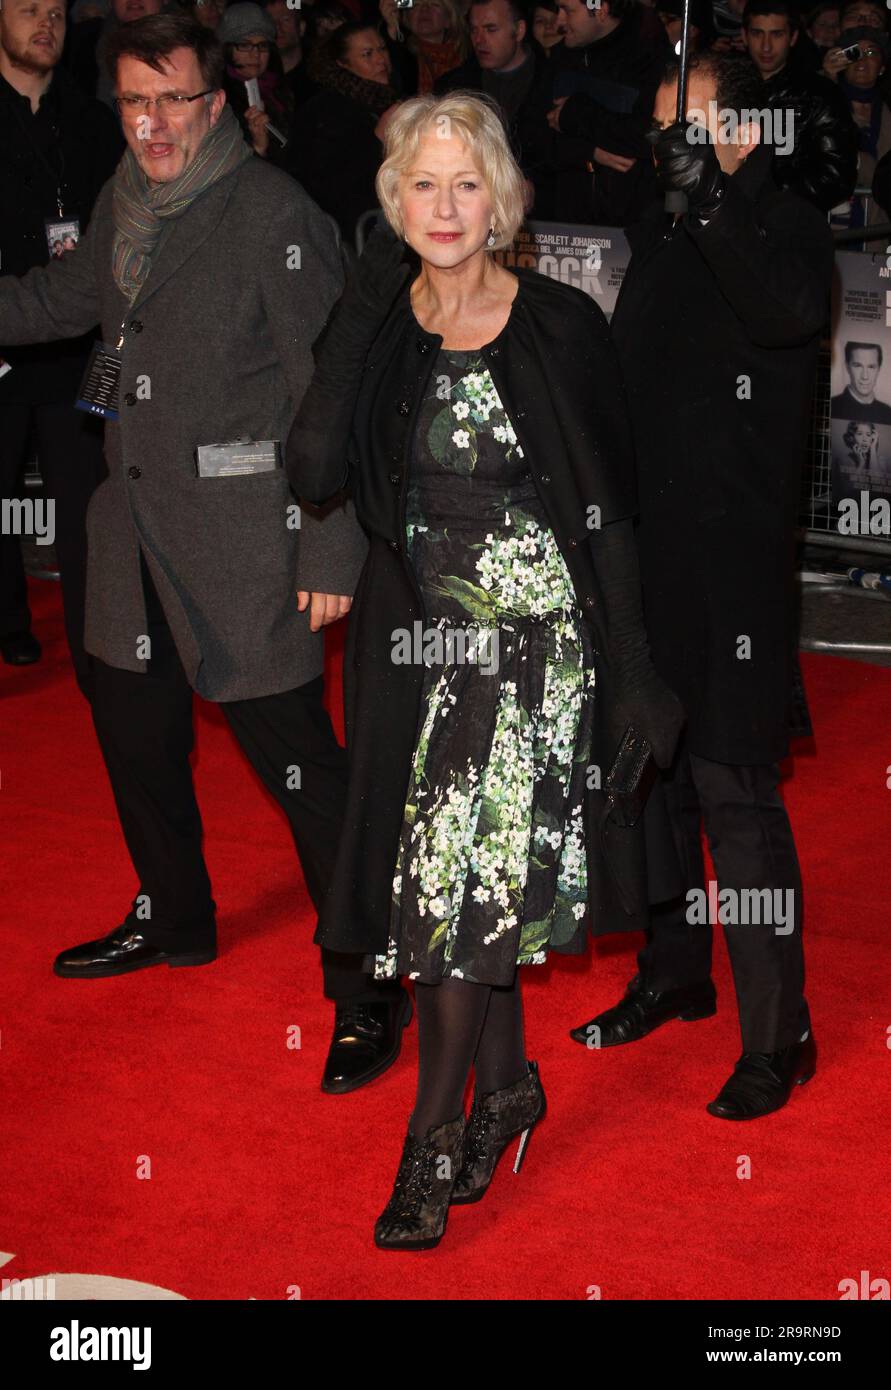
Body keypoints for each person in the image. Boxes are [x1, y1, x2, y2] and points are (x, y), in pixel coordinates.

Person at [286, 90, 684, 1249]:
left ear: (502, 197)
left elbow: (612, 513)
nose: (447, 206)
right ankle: (507, 1089)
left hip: (531, 650)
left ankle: (431, 1138)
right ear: (394, 202)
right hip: (418, 653)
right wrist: (362, 305)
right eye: (424, 183)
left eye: (468, 183)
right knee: (462, 889)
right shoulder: (386, 321)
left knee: (450, 900)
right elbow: (314, 468)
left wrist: (639, 671)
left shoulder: (559, 324)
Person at [0, 14, 410, 1095]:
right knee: (133, 734)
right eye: (134, 102)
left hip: (245, 538)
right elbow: (68, 299)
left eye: (173, 100)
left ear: (215, 102)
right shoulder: (125, 198)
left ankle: (368, 980)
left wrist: (329, 542)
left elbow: (332, 393)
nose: (152, 124)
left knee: (295, 764)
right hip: (128, 528)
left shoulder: (274, 214)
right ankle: (175, 917)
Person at [572, 50, 834, 1121]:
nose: (667, 146)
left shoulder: (786, 226)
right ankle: (676, 971)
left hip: (733, 567)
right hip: (649, 552)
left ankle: (782, 1034)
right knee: (652, 774)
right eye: (662, 128)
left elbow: (784, 315)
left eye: (690, 127)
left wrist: (715, 201)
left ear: (742, 130)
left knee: (735, 791)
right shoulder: (661, 232)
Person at [0, 0, 123, 682]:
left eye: (55, 10)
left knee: (89, 504)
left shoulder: (92, 121)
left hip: (82, 348)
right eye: (26, 9)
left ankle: (93, 645)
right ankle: (10, 621)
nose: (44, 22)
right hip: (2, 344)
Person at [518, 0, 671, 227]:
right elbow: (530, 134)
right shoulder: (560, 59)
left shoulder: (647, 57)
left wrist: (575, 114)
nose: (558, 22)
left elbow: (651, 136)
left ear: (600, 10)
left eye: (567, 10)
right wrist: (589, 152)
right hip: (568, 225)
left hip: (635, 225)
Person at [741, 0, 858, 212]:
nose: (766, 46)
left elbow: (836, 175)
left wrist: (773, 199)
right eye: (758, 33)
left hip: (792, 228)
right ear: (744, 36)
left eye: (777, 34)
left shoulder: (819, 94)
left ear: (793, 37)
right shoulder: (725, 90)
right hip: (729, 225)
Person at [295, 22, 402, 243]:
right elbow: (327, 183)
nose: (380, 59)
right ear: (342, 64)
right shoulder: (326, 110)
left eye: (382, 49)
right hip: (352, 239)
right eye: (367, 54)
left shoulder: (385, 97)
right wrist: (378, 139)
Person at [434, 0, 548, 152]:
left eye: (491, 29)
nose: (479, 40)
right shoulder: (454, 87)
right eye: (474, 30)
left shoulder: (551, 81)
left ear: (519, 31)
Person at [218, 3, 297, 171]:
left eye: (262, 46)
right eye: (245, 45)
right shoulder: (219, 101)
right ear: (227, 49)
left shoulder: (279, 88)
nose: (255, 54)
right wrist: (258, 147)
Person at [401, 0, 469, 93]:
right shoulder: (399, 57)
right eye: (416, 5)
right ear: (408, 18)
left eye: (434, 4)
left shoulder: (469, 55)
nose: (424, 9)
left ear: (448, 19)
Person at [831, 341, 891, 421]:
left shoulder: (887, 412)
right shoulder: (833, 406)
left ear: (879, 369)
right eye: (857, 366)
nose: (865, 376)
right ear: (847, 367)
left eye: (871, 367)